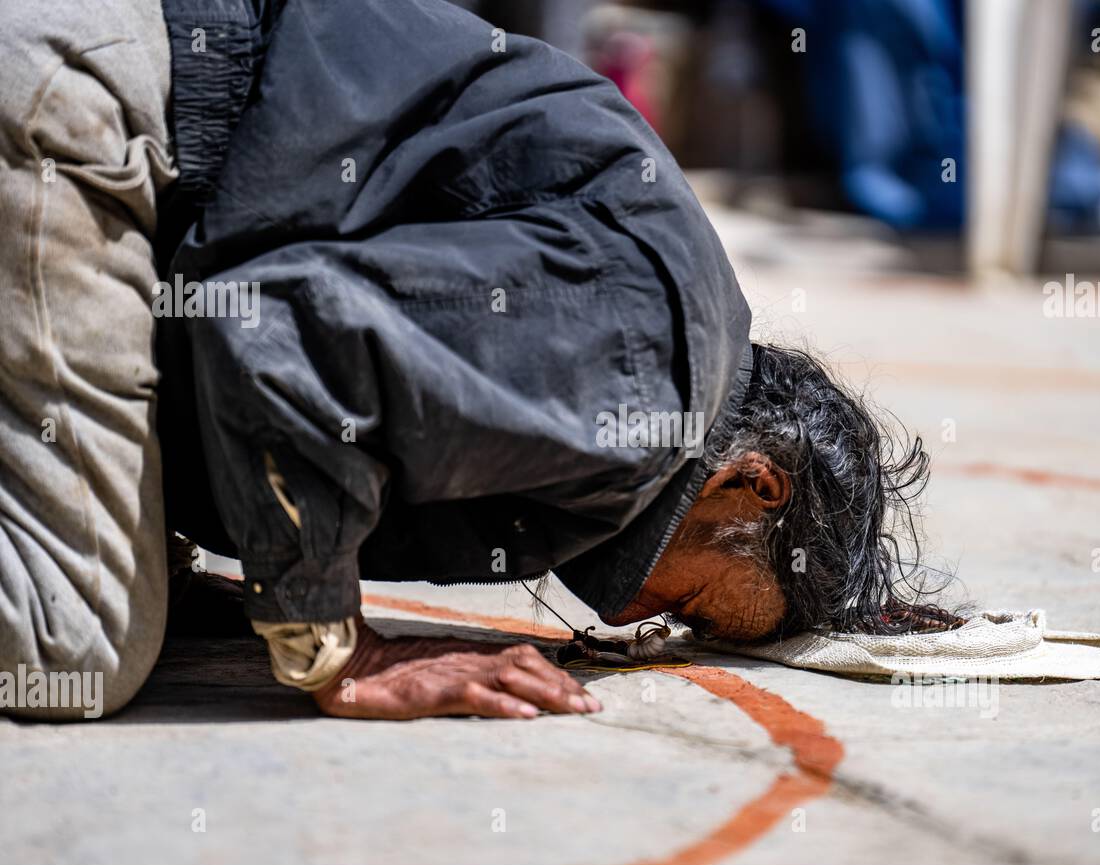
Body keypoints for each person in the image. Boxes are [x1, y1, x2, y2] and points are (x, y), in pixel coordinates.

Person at [1, 0, 944, 722]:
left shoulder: (669, 339)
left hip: (110, 98)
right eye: (696, 609)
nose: (631, 629)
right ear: (755, 485)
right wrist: (335, 648)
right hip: (83, 92)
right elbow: (287, 326)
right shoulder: (651, 382)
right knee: (76, 640)